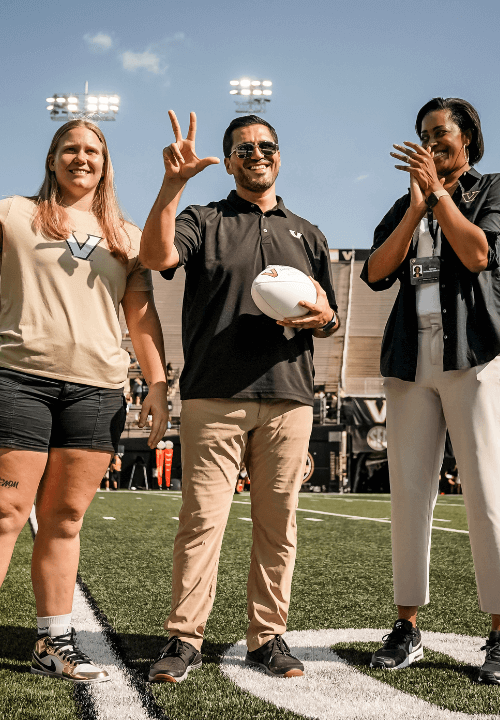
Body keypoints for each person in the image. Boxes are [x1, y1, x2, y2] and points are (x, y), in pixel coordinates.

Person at [0, 110, 168, 697]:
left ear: (106, 164)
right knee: (2, 516)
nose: (83, 158)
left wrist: (157, 383)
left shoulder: (126, 235)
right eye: (71, 148)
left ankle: (53, 641)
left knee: (64, 521)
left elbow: (139, 313)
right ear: (52, 159)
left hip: (97, 388)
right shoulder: (14, 212)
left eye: (94, 150)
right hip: (18, 380)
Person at [140, 111, 339, 682]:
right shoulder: (202, 219)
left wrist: (324, 318)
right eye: (244, 149)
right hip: (214, 395)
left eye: (267, 146)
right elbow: (156, 259)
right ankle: (184, 638)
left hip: (289, 398)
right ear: (227, 161)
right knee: (202, 521)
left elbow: (328, 317)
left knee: (279, 525)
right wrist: (172, 186)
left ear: (280, 155)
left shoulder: (310, 233)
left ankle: (267, 637)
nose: (257, 155)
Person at [361, 97, 500, 684]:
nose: (431, 144)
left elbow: (479, 252)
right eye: (424, 135)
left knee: (486, 488)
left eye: (441, 134)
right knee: (409, 495)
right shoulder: (409, 201)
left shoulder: (493, 187)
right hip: (411, 359)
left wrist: (442, 198)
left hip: (474, 355)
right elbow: (377, 272)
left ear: (469, 140)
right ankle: (407, 625)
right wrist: (415, 207)